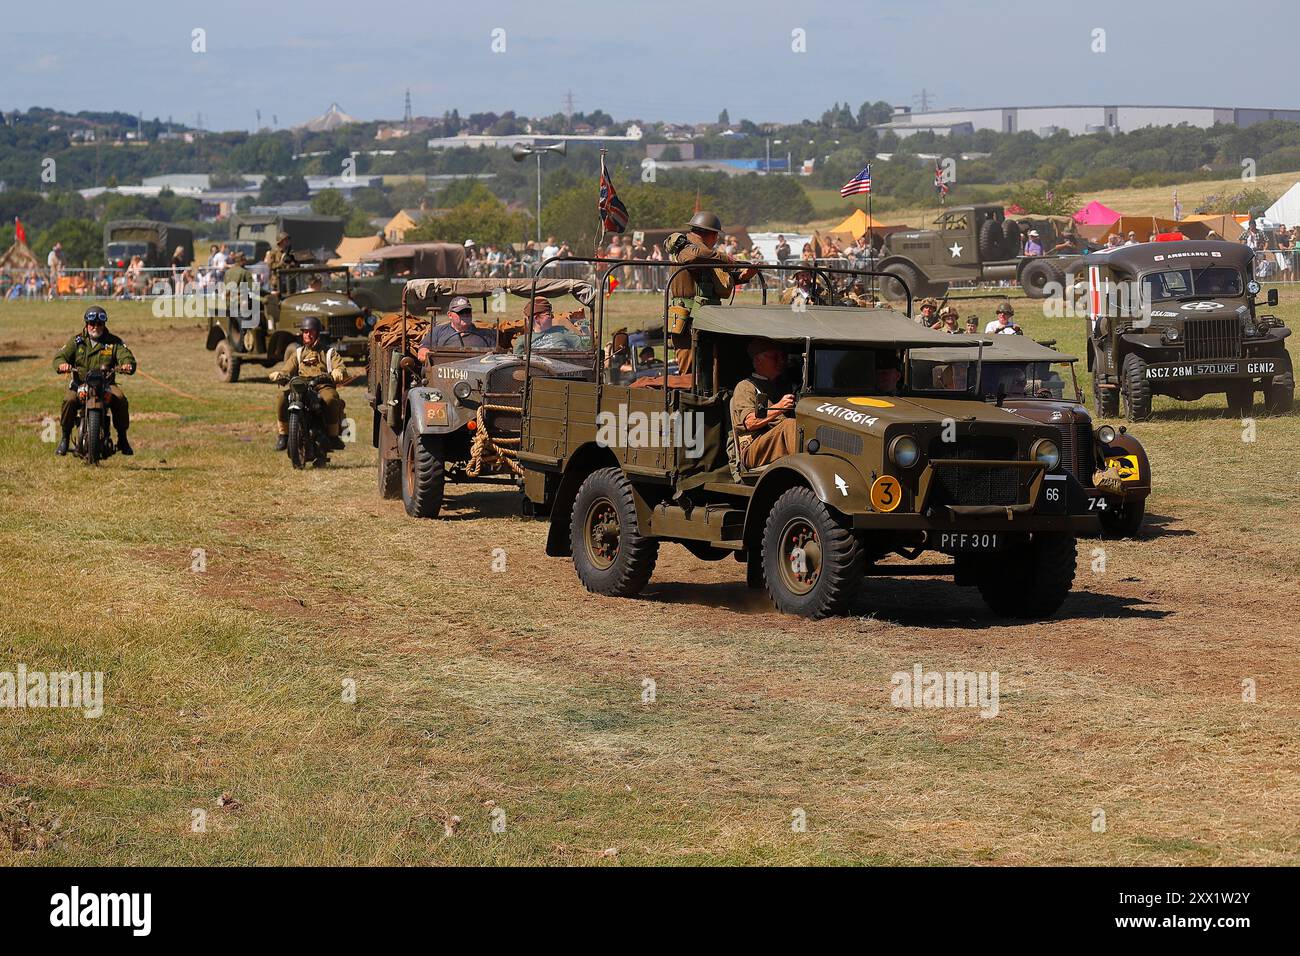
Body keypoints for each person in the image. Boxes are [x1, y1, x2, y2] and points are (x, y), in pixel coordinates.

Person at [666, 211, 756, 372]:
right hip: (687, 320)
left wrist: (742, 276)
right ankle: (687, 396)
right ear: (712, 235)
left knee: (707, 367)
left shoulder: (705, 253)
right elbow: (691, 257)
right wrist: (727, 259)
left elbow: (712, 281)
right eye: (716, 236)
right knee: (689, 369)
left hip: (704, 318)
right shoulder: (685, 246)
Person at [53, 306, 136, 456]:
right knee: (69, 400)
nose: (95, 327)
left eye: (99, 324)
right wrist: (62, 365)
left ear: (104, 325)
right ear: (86, 324)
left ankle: (122, 438)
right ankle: (64, 438)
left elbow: (126, 356)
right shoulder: (77, 341)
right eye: (92, 324)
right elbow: (60, 356)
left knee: (121, 399)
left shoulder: (113, 342)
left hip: (106, 385)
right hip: (80, 384)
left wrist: (127, 364)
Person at [270, 316, 347, 451]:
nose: (307, 334)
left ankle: (333, 435)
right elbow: (287, 369)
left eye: (311, 331)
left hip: (323, 385)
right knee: (282, 398)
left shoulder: (329, 352)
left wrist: (338, 371)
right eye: (305, 331)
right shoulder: (298, 353)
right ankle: (284, 435)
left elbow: (340, 367)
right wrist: (280, 375)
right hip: (302, 386)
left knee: (330, 399)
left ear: (317, 333)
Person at [731, 338, 798, 469]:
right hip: (753, 450)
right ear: (757, 361)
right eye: (774, 356)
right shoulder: (745, 387)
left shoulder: (784, 386)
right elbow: (750, 422)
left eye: (782, 356)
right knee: (790, 425)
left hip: (777, 443)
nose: (781, 360)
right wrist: (780, 407)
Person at [418, 296, 493, 359]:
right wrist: (429, 355)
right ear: (450, 315)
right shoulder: (437, 332)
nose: (465, 315)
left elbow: (496, 357)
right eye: (460, 312)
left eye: (467, 311)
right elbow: (422, 352)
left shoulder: (486, 335)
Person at [512, 297, 586, 355]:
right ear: (536, 318)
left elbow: (586, 347)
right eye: (549, 314)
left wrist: (583, 323)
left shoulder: (561, 331)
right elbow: (518, 366)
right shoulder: (523, 340)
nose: (553, 317)